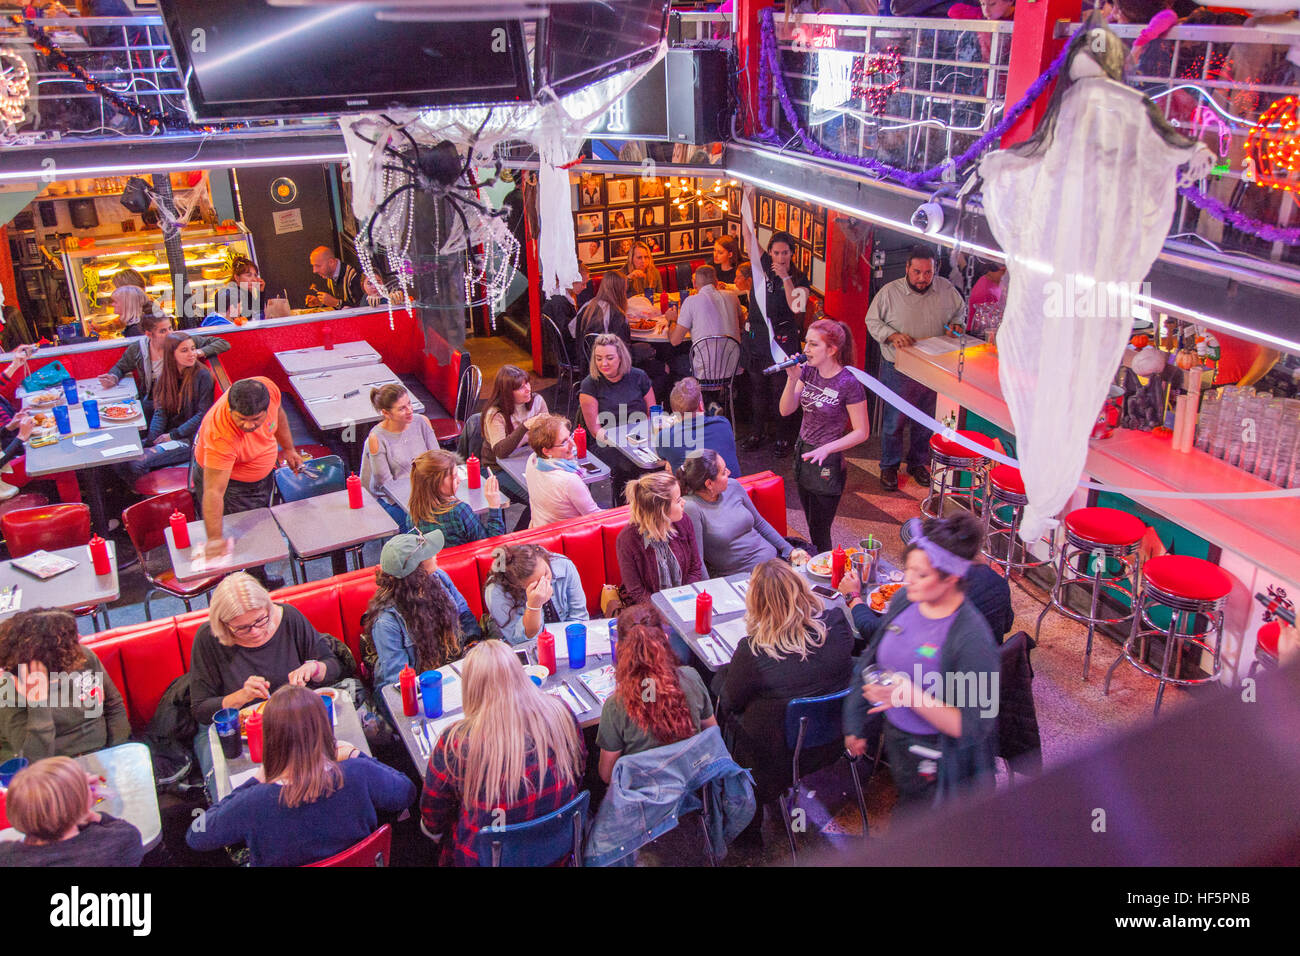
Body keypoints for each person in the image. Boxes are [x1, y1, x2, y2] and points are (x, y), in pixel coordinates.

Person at [842, 510, 1000, 811]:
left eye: (921, 574)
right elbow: (869, 661)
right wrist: (855, 722)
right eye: (909, 569)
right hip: (903, 751)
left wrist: (906, 693)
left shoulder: (972, 639)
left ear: (951, 578)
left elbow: (973, 726)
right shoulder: (905, 600)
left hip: (946, 773)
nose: (907, 579)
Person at [186, 685, 414, 866]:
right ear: (324, 729)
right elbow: (407, 792)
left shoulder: (252, 802)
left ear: (270, 739)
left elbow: (197, 835)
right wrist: (356, 755)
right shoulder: (359, 772)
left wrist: (255, 780)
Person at [420, 640, 586, 865]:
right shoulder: (561, 713)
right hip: (557, 854)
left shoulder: (456, 743)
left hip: (485, 858)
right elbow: (579, 770)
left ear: (471, 687)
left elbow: (432, 820)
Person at [718, 560, 855, 814]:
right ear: (803, 591)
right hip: (836, 740)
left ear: (756, 605)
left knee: (719, 689)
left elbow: (730, 704)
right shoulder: (837, 624)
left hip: (778, 759)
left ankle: (740, 814)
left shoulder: (753, 652)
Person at [865, 245, 965, 492]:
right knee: (894, 421)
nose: (922, 278)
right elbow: (872, 321)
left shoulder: (946, 290)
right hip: (899, 368)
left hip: (932, 368)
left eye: (928, 272)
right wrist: (891, 335)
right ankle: (889, 465)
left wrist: (957, 326)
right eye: (917, 272)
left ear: (935, 270)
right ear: (907, 269)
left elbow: (960, 314)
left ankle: (917, 463)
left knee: (925, 420)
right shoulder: (890, 293)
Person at [191, 377, 302, 588]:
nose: (249, 425)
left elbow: (278, 414)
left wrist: (288, 449)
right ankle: (250, 588)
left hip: (260, 476)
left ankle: (257, 579)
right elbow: (213, 491)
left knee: (258, 534)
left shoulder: (268, 387)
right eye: (241, 419)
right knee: (243, 543)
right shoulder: (221, 436)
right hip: (231, 487)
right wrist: (214, 539)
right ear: (230, 408)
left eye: (255, 419)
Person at [779, 318, 870, 555]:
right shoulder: (808, 372)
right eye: (806, 343)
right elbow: (786, 410)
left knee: (820, 530)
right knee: (811, 524)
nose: (805, 350)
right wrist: (792, 379)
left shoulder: (849, 383)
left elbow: (862, 431)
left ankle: (827, 574)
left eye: (813, 344)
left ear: (832, 350)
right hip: (804, 453)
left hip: (826, 462)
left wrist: (828, 448)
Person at [597, 603, 717, 782]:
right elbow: (712, 737)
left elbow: (607, 775)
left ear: (619, 649)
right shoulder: (691, 678)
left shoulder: (615, 706)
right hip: (690, 785)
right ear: (666, 639)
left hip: (644, 800)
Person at [0, 609, 130, 762]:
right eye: (69, 640)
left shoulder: (83, 657)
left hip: (104, 753)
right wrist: (38, 705)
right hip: (54, 770)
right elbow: (32, 761)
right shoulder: (8, 688)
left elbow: (113, 706)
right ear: (49, 653)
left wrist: (117, 751)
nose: (80, 638)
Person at [361, 531, 482, 694]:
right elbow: (399, 683)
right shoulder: (386, 622)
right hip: (418, 689)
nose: (435, 554)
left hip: (452, 668)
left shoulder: (438, 577)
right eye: (427, 554)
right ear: (416, 571)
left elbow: (465, 615)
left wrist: (473, 647)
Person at [678, 450, 808, 578]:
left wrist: (790, 551)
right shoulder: (692, 508)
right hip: (745, 579)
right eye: (723, 472)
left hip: (775, 564)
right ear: (709, 483)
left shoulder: (733, 486)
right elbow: (697, 560)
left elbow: (759, 523)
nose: (729, 473)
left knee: (813, 571)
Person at [0, 756, 144, 867]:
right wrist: (87, 811)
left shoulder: (6, 856)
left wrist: (78, 800)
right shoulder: (117, 843)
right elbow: (127, 832)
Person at [742, 231, 810, 458]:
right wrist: (749, 195)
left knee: (780, 389)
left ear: (792, 253)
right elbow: (748, 235)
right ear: (769, 253)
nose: (780, 257)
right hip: (758, 337)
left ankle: (782, 436)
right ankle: (757, 432)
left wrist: (785, 278)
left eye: (784, 253)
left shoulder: (799, 278)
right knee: (758, 388)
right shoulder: (762, 264)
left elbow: (797, 307)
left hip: (782, 339)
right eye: (776, 252)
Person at [116, 331, 215, 485]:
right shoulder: (167, 376)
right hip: (169, 435)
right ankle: (141, 490)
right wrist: (151, 440)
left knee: (137, 463)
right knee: (119, 456)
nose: (192, 354)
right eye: (184, 350)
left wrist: (173, 435)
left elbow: (203, 415)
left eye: (193, 348)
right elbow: (160, 413)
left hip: (190, 439)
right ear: (171, 354)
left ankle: (153, 499)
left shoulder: (203, 375)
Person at [98, 311, 229, 414]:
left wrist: (198, 352)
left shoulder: (181, 341)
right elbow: (120, 367)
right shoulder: (138, 349)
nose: (169, 333)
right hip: (152, 398)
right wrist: (113, 377)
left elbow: (223, 343)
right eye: (163, 331)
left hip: (178, 399)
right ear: (149, 334)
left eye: (170, 328)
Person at [578, 334, 655, 502]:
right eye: (598, 359)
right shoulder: (590, 384)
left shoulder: (639, 376)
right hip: (607, 443)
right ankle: (624, 511)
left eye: (609, 358)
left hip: (639, 438)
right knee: (627, 466)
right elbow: (595, 430)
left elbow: (652, 414)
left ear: (621, 357)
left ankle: (654, 509)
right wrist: (621, 442)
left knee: (661, 460)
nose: (603, 364)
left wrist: (643, 439)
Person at [359, 383, 440, 532]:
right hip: (392, 500)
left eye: (409, 404)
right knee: (421, 526)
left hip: (426, 491)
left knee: (453, 516)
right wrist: (421, 500)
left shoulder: (422, 421)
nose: (409, 410)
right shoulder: (376, 438)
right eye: (402, 408)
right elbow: (387, 486)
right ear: (386, 413)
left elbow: (437, 461)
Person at [615, 471, 703, 605]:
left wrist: (684, 600)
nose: (683, 502)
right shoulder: (627, 539)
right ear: (661, 509)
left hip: (685, 601)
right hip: (649, 609)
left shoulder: (684, 521)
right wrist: (666, 611)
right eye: (678, 500)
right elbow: (636, 592)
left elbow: (695, 568)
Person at [484, 543, 589, 645]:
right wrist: (534, 605)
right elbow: (519, 642)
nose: (546, 583)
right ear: (517, 586)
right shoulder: (496, 593)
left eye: (546, 573)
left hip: (566, 640)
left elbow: (579, 616)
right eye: (536, 585)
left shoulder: (563, 565)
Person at [481, 365, 548, 514]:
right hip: (497, 470)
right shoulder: (495, 414)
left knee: (553, 493)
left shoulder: (537, 401)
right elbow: (500, 452)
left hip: (528, 461)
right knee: (537, 500)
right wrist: (524, 426)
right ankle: (522, 536)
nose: (528, 389)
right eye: (520, 388)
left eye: (527, 384)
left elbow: (548, 433)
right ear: (507, 393)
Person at [408, 448, 506, 548]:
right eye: (454, 477)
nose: (459, 480)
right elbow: (491, 546)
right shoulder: (460, 511)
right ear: (436, 482)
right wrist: (494, 507)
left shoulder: (412, 516)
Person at [651, 376, 741, 478]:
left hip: (698, 492)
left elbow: (661, 456)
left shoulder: (665, 438)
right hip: (738, 489)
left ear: (674, 413)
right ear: (701, 406)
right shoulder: (723, 423)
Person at [523, 414, 601, 529]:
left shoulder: (532, 460)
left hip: (538, 533)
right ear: (546, 451)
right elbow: (597, 517)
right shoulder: (569, 480)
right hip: (568, 541)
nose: (573, 444)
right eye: (564, 442)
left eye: (570, 437)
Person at [661, 265, 743, 359]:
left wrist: (672, 320)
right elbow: (741, 325)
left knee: (670, 359)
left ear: (694, 283)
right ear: (716, 282)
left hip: (705, 371)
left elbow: (675, 341)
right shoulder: (732, 296)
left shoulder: (691, 301)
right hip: (736, 366)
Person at [306, 245, 364, 310]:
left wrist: (335, 303)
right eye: (313, 266)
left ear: (331, 262)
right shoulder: (329, 275)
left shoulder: (354, 275)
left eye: (318, 266)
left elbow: (362, 309)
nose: (314, 271)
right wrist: (321, 303)